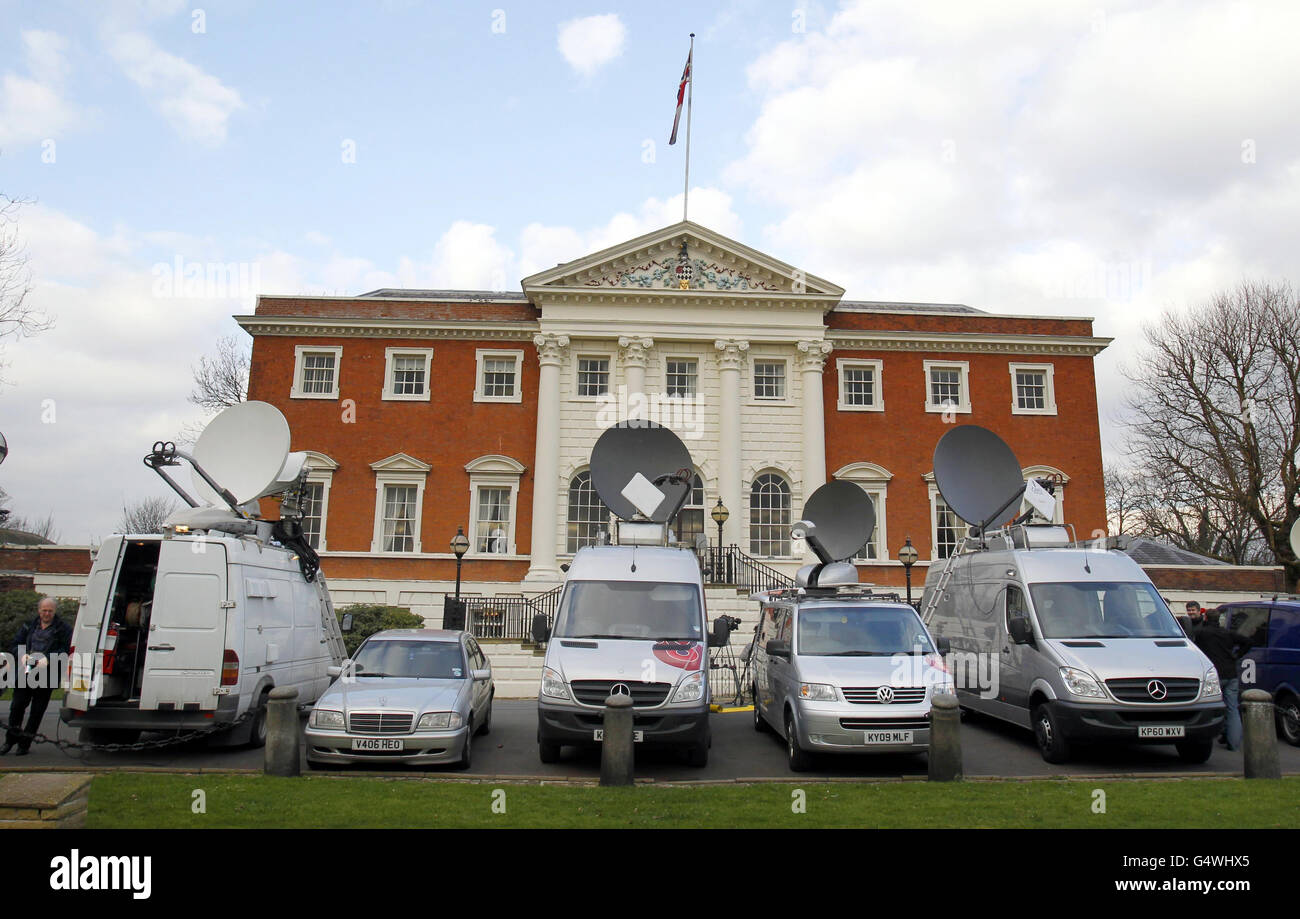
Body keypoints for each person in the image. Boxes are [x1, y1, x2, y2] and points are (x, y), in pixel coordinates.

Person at [3, 597, 73, 755]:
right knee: (17, 707)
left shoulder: (63, 629)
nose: (47, 613)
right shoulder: (29, 626)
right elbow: (15, 644)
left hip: (47, 675)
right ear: (39, 610)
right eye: (44, 610)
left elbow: (67, 649)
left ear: (54, 612)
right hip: (25, 672)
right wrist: (22, 655)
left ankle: (24, 744)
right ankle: (10, 740)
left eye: (50, 611)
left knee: (37, 711)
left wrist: (48, 659)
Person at [1192, 607, 1250, 751]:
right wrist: (1237, 655)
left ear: (1205, 618)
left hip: (1213, 674)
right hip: (1230, 673)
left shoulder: (1201, 633)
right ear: (1218, 619)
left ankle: (1219, 734)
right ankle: (1234, 743)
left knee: (1213, 706)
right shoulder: (1227, 633)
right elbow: (1248, 642)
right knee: (1232, 708)